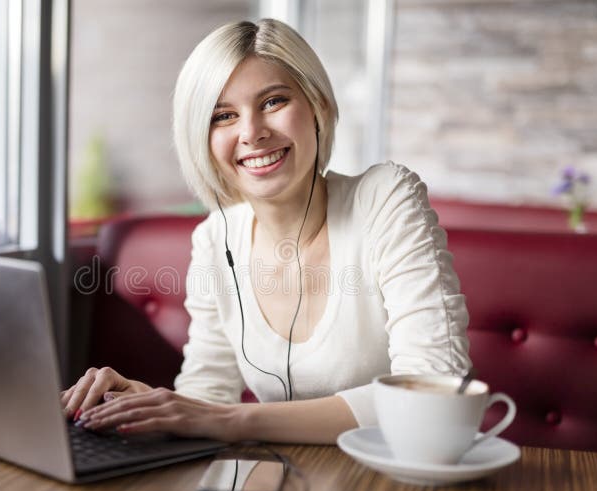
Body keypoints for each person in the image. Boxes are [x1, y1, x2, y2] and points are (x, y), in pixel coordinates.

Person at [60, 19, 471, 444]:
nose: (252, 132)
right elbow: (207, 400)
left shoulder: (386, 197)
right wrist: (147, 404)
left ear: (319, 107)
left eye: (273, 101)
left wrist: (238, 420)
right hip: (281, 490)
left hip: (398, 489)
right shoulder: (215, 237)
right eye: (223, 116)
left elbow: (434, 389)